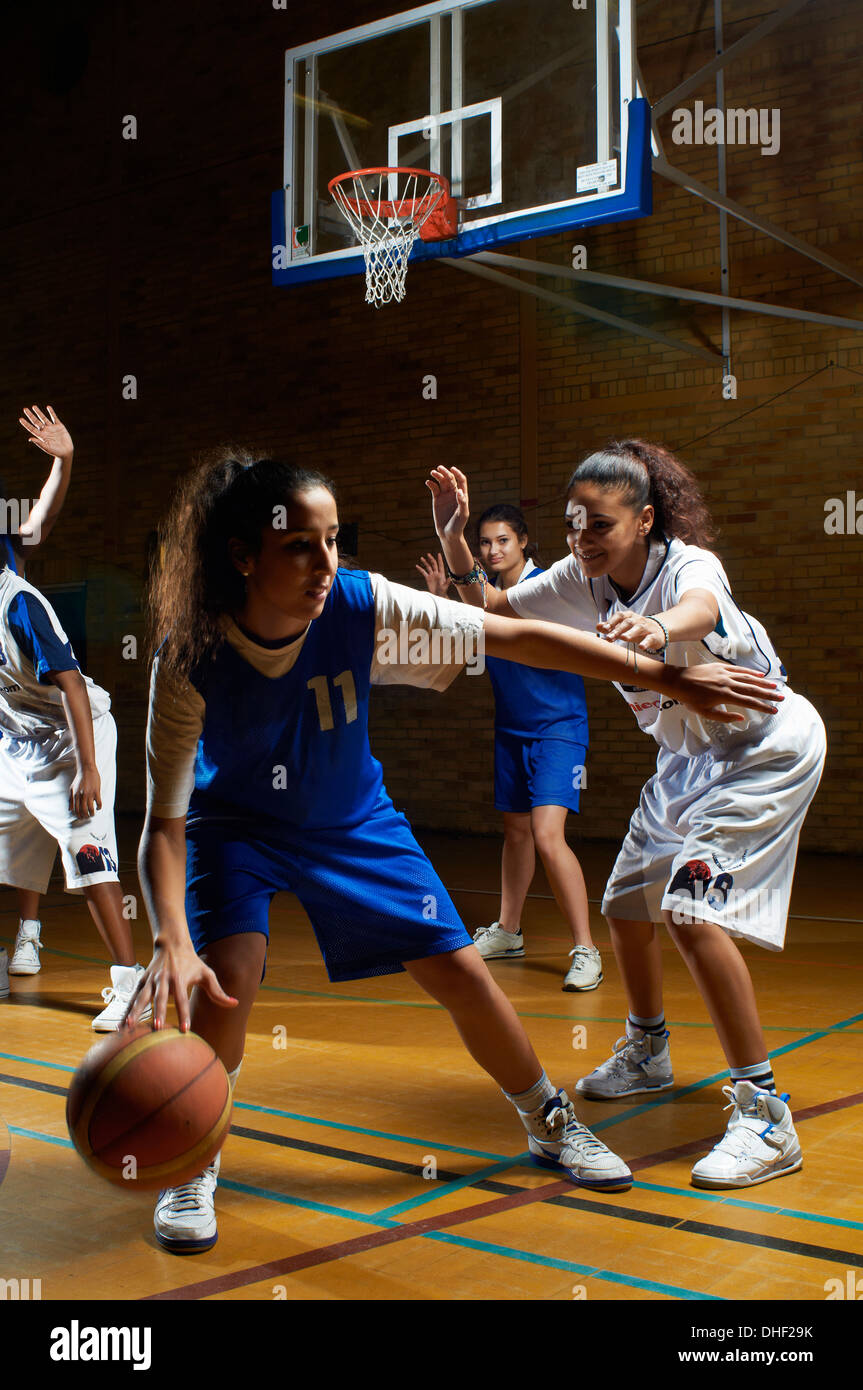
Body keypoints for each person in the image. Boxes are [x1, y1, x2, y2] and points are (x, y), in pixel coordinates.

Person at [124, 452, 775, 1253]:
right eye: (301, 545)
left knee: (461, 970)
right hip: (235, 829)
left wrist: (668, 679)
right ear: (241, 554)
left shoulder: (360, 603)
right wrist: (170, 941)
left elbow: (523, 637)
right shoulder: (188, 655)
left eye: (336, 540)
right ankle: (195, 1159)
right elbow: (162, 822)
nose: (327, 564)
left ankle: (547, 1117)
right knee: (227, 981)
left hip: (351, 819)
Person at [427, 442, 826, 1190]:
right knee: (625, 907)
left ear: (644, 520)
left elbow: (699, 607)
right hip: (684, 763)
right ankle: (648, 1050)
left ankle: (765, 1114)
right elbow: (488, 608)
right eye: (574, 523)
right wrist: (454, 536)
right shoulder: (581, 578)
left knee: (689, 916)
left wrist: (658, 629)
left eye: (600, 524)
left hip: (762, 750)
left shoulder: (687, 568)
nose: (583, 537)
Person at [417, 502, 601, 991]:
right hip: (512, 730)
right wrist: (440, 601)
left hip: (559, 728)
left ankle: (585, 947)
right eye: (484, 542)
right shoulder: (480, 597)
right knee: (516, 832)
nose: (493, 549)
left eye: (502, 540)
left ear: (523, 542)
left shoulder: (547, 588)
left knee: (546, 833)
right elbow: (448, 655)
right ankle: (508, 930)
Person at [0, 539, 151, 1029]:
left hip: (71, 736)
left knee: (87, 853)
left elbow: (70, 685)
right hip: (18, 739)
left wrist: (89, 768)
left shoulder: (19, 604)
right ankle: (19, 944)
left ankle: (131, 984)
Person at [2, 405, 74, 978]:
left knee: (41, 815)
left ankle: (28, 932)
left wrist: (63, 461)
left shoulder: (6, 545)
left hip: (29, 691)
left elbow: (38, 525)